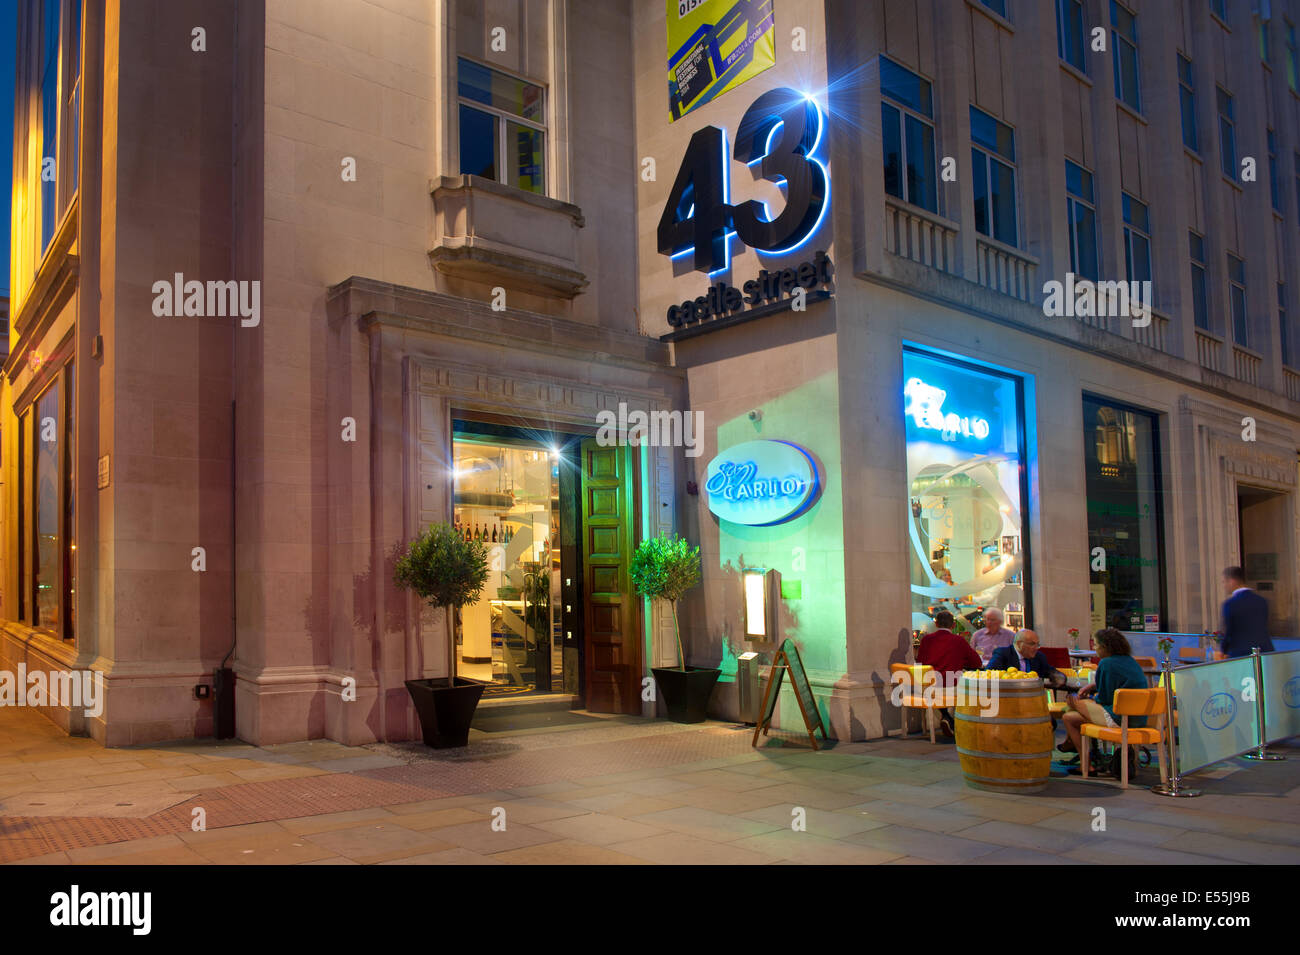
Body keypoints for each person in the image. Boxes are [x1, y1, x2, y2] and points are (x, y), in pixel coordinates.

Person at [1060, 628, 1148, 774]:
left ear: (1105, 647)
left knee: (1073, 702)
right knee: (1069, 717)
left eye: (1095, 645)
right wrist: (1094, 686)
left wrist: (1089, 698)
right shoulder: (1129, 661)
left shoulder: (1106, 663)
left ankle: (1076, 751)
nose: (1094, 649)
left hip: (1119, 717)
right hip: (1138, 718)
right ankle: (1083, 762)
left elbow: (1104, 699)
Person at [917, 610, 982, 737]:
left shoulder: (926, 640)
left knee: (935, 691)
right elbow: (976, 663)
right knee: (972, 688)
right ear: (953, 625)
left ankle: (947, 718)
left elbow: (920, 662)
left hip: (929, 686)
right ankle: (957, 722)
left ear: (936, 624)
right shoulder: (958, 640)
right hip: (952, 687)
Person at [1220, 566, 1274, 658]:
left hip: (1241, 655)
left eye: (1224, 582)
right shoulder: (1262, 601)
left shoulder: (1230, 604)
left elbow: (1229, 632)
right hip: (1265, 653)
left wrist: (1223, 650)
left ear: (1232, 581)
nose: (1224, 586)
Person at [986, 629, 1064, 684]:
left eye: (1038, 644)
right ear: (1019, 644)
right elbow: (989, 674)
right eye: (1032, 644)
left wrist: (1059, 677)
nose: (1036, 648)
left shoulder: (1039, 657)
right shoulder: (1003, 654)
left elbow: (1050, 671)